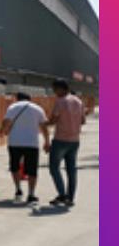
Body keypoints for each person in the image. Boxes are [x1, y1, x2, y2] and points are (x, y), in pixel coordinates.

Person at [1, 92, 49, 204]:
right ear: (30, 99)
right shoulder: (37, 108)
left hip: (14, 142)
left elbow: (6, 122)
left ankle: (18, 189)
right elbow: (44, 127)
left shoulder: (12, 107)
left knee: (15, 166)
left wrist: (4, 131)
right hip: (32, 143)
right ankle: (31, 194)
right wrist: (47, 141)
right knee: (32, 169)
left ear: (17, 98)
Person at [45, 79, 85, 207]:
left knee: (54, 168)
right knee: (71, 170)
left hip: (60, 140)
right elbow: (83, 121)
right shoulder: (79, 101)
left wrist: (42, 123)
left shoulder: (60, 101)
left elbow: (53, 120)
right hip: (74, 140)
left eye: (55, 89)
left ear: (61, 89)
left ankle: (62, 194)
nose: (54, 92)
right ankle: (70, 198)